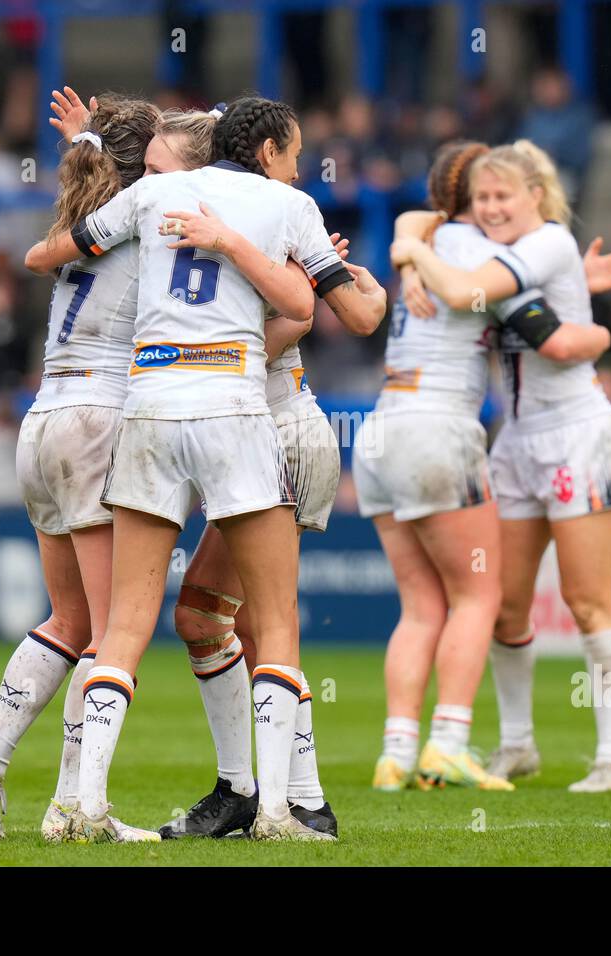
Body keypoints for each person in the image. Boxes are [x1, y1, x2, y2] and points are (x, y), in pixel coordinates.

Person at [23, 95, 386, 842]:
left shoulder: (154, 199)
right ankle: (276, 806)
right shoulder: (283, 203)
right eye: (293, 151)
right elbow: (338, 312)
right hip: (237, 412)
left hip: (182, 412)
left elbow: (51, 251)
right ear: (268, 152)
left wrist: (91, 155)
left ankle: (94, 805)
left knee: (151, 624)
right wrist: (353, 285)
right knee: (252, 623)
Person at [373, 142, 611, 792]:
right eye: (484, 198)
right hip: (515, 439)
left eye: (503, 198)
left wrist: (597, 334)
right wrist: (413, 252)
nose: (491, 208)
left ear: (536, 199)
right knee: (504, 607)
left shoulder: (545, 243)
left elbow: (501, 308)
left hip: (576, 431)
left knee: (585, 600)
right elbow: (419, 226)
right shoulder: (486, 247)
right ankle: (517, 744)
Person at [0, 94, 162, 842]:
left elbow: (50, 242)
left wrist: (86, 143)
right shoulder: (146, 216)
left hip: (42, 422)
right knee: (108, 634)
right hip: (98, 421)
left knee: (68, 621)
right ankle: (71, 806)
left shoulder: (80, 215)